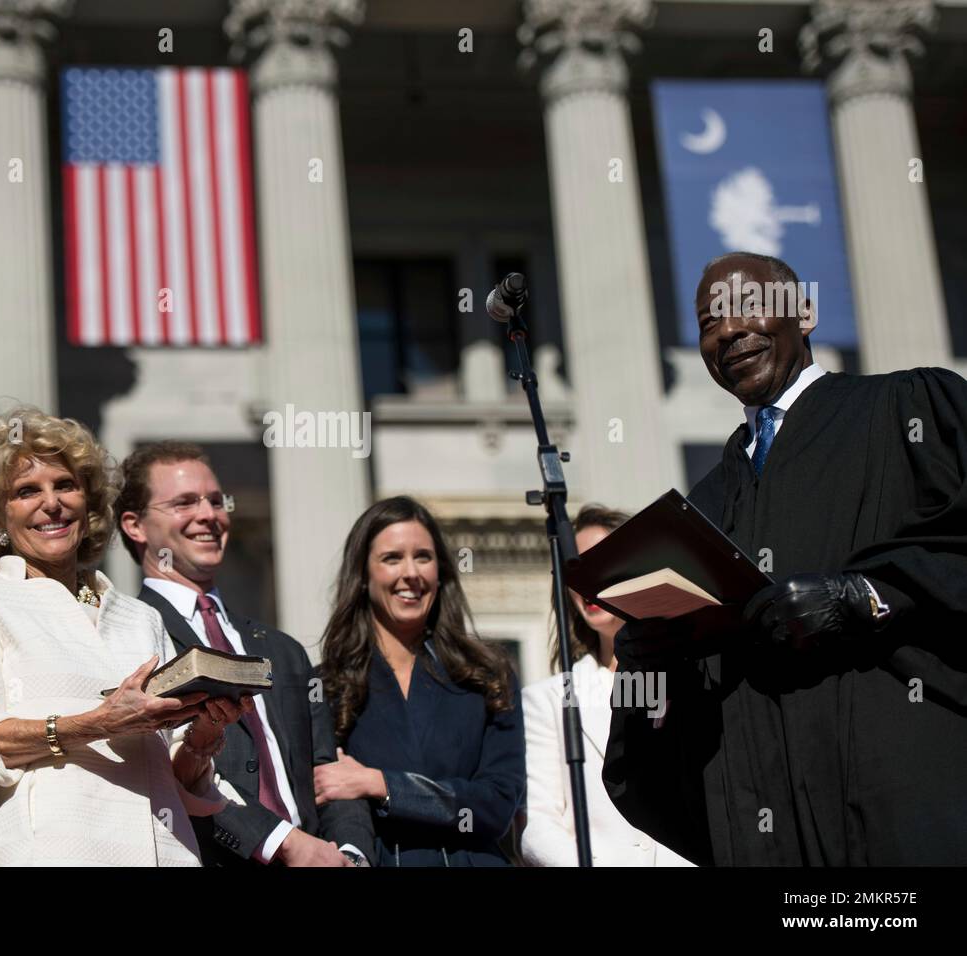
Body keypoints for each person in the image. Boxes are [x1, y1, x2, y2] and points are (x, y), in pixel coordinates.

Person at [604, 251, 967, 866]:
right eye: (707, 322)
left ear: (804, 312)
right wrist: (649, 659)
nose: (727, 331)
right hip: (764, 817)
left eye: (746, 307)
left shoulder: (906, 410)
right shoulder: (706, 508)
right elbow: (663, 746)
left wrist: (869, 596)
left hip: (897, 789)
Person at [0, 411, 249, 866]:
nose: (52, 503)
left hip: (166, 851)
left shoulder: (139, 617)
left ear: (89, 501)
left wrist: (205, 732)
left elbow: (180, 775)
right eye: (27, 491)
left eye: (65, 485)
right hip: (49, 852)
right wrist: (99, 722)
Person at [116, 441, 374, 867]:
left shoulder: (283, 650)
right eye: (184, 503)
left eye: (216, 501)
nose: (209, 515)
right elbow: (163, 773)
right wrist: (281, 843)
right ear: (135, 525)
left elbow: (329, 774)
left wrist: (350, 854)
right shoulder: (129, 635)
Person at [316, 496, 524, 866]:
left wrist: (380, 784)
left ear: (441, 572)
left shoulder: (489, 675)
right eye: (392, 558)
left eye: (423, 557)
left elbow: (496, 806)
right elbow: (326, 797)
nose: (410, 573)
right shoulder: (326, 686)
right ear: (363, 576)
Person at [522, 505, 693, 867]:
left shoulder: (694, 678)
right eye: (577, 567)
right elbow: (538, 827)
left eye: (602, 560)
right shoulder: (548, 700)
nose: (587, 580)